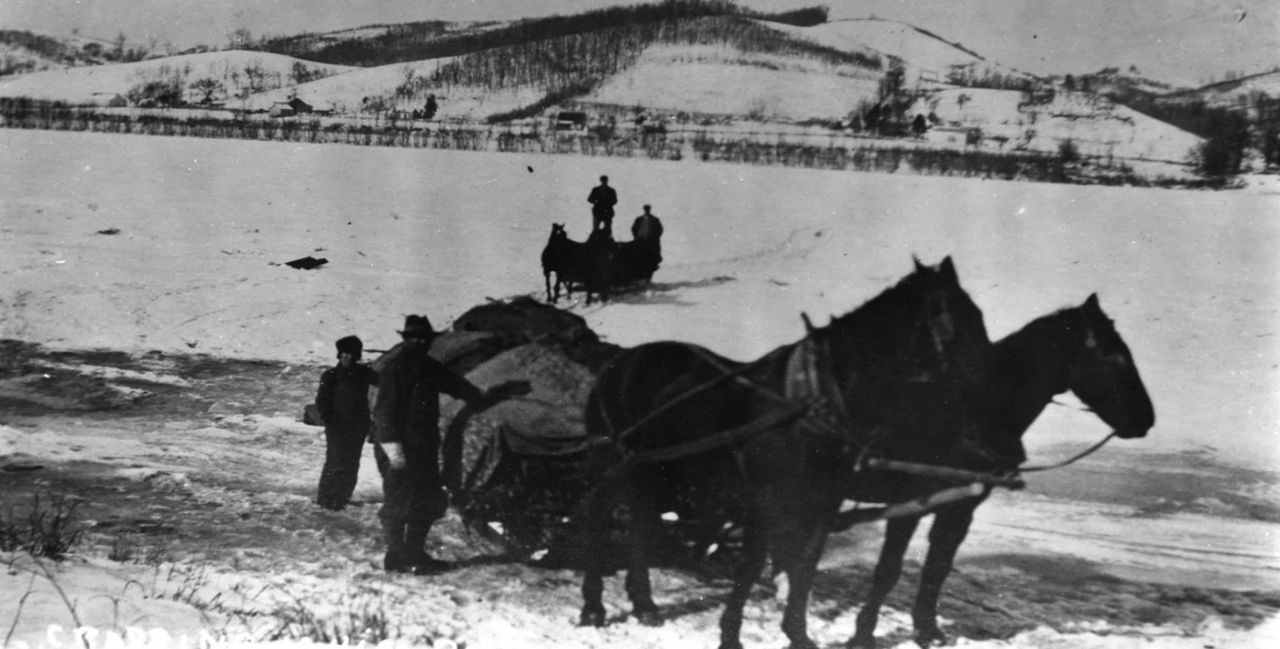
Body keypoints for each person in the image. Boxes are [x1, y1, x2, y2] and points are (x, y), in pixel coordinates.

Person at [372, 314, 525, 574]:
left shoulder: (430, 368)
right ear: (406, 341)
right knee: (398, 501)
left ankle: (414, 553)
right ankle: (396, 555)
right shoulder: (393, 370)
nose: (418, 343)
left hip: (423, 447)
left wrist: (492, 396)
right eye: (413, 339)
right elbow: (384, 414)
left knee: (428, 499)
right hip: (396, 447)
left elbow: (462, 389)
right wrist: (394, 453)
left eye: (423, 339)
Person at [314, 335, 379, 511]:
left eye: (352, 354)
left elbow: (384, 380)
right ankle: (326, 499)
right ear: (340, 354)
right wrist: (332, 421)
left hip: (357, 427)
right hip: (337, 427)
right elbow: (322, 402)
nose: (348, 357)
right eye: (345, 353)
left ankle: (342, 497)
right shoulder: (330, 375)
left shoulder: (364, 373)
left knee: (351, 463)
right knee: (335, 462)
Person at [630, 204, 664, 280]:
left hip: (650, 242)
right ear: (644, 209)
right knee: (640, 259)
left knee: (650, 259)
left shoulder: (654, 220)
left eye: (648, 209)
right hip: (640, 241)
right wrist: (637, 237)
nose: (647, 210)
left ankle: (647, 277)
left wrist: (654, 237)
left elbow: (660, 230)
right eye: (645, 209)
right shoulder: (639, 219)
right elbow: (634, 229)